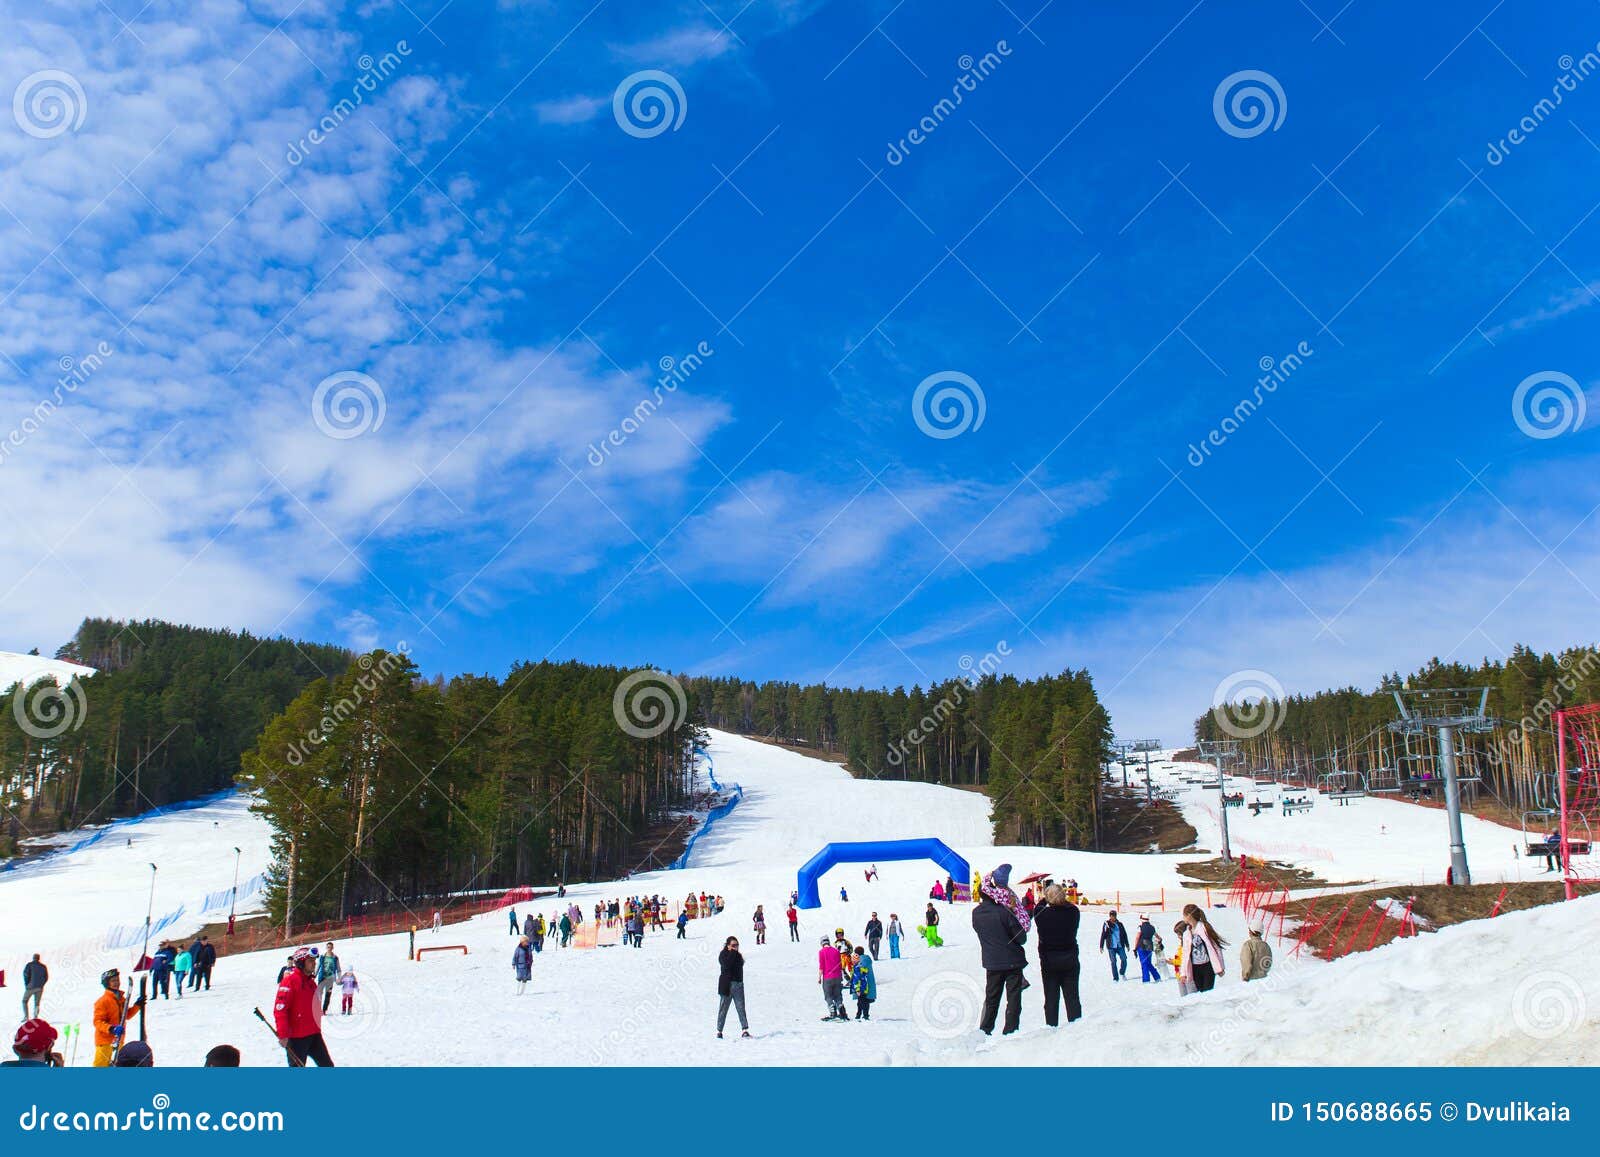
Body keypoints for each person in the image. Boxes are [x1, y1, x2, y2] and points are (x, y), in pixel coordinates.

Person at [972, 866, 1028, 1035]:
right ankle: (1010, 1030)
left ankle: (985, 1029)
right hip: (1013, 961)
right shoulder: (1004, 912)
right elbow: (1021, 938)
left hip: (992, 962)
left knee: (992, 997)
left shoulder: (976, 914)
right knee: (1013, 998)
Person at [273, 946, 334, 1066]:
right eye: (310, 961)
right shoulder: (289, 981)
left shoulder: (311, 983)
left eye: (314, 961)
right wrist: (283, 1034)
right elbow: (280, 1010)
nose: (314, 964)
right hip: (296, 1038)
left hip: (314, 1034)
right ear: (301, 963)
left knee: (327, 1066)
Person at [1032, 885, 1082, 1026]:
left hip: (1049, 961)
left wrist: (1044, 899)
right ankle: (1076, 1025)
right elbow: (1069, 906)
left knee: (1051, 999)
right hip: (1070, 959)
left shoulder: (1042, 914)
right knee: (1072, 998)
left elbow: (1038, 907)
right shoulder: (1073, 912)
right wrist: (1060, 898)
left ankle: (1051, 1027)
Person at [91, 968, 145, 1068]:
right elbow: (97, 1022)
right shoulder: (103, 1001)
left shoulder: (121, 999)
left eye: (117, 980)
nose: (117, 983)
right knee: (101, 1066)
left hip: (119, 1040)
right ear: (107, 983)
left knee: (117, 1064)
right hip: (105, 1042)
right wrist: (111, 1028)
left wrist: (137, 1005)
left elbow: (126, 1015)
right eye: (113, 981)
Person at [1180, 903, 1227, 993]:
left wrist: (1220, 967)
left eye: (1184, 915)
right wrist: (1183, 973)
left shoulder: (1204, 928)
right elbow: (1185, 955)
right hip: (1195, 968)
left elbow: (1216, 947)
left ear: (1189, 915)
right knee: (1200, 993)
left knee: (1208, 993)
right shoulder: (1186, 934)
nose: (1183, 918)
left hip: (1207, 966)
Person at [716, 935, 751, 1038]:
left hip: (738, 985)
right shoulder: (723, 955)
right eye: (733, 945)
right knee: (723, 1009)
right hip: (726, 985)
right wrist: (732, 953)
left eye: (737, 945)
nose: (736, 947)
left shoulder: (738, 956)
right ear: (728, 946)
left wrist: (736, 954)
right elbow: (727, 965)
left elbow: (739, 966)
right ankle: (719, 1031)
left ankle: (744, 1029)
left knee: (741, 1008)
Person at [817, 935, 847, 1021]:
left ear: (822, 943)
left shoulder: (821, 952)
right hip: (838, 977)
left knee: (828, 995)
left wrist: (819, 977)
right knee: (837, 995)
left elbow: (821, 966)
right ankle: (841, 1008)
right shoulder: (836, 951)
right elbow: (840, 965)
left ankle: (833, 1012)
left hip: (828, 977)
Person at [1099, 909, 1130, 981]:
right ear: (1109, 916)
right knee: (1113, 962)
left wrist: (1127, 944)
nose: (1113, 917)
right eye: (1111, 916)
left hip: (1120, 945)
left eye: (1114, 916)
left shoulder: (1120, 924)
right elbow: (1103, 935)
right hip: (1111, 946)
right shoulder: (1106, 924)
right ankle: (1115, 978)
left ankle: (1122, 972)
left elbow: (1124, 934)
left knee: (1124, 959)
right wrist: (1101, 946)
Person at [1134, 914, 1161, 983]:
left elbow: (1137, 938)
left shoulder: (1140, 927)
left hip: (1141, 946)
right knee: (1148, 963)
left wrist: (1135, 948)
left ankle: (1146, 980)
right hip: (1150, 947)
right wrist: (1159, 941)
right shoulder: (1152, 927)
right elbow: (1158, 937)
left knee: (1144, 963)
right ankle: (1157, 977)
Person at [316, 941, 341, 1013]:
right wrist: (315, 974)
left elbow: (338, 968)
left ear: (332, 948)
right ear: (326, 948)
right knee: (319, 994)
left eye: (330, 947)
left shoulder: (335, 958)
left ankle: (324, 1010)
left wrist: (339, 978)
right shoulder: (322, 957)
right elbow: (318, 966)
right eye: (328, 947)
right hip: (322, 977)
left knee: (328, 995)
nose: (329, 948)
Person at [21, 953, 46, 1019]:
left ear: (33, 958)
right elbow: (46, 977)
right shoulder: (43, 966)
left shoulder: (29, 965)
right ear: (39, 958)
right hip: (40, 988)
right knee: (37, 1003)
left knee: (24, 1001)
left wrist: (27, 984)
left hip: (30, 987)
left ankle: (26, 1017)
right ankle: (35, 1017)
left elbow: (25, 974)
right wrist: (41, 984)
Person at [852, 949, 876, 1020]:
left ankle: (861, 1015)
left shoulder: (859, 963)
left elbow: (858, 977)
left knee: (861, 1001)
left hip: (862, 985)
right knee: (864, 1000)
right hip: (867, 984)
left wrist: (857, 988)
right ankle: (863, 1015)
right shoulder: (866, 960)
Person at [1171, 920, 1191, 996]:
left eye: (1179, 934)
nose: (1178, 937)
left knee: (1186, 996)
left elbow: (1184, 960)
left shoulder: (1185, 945)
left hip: (1185, 975)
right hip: (1179, 975)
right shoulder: (1181, 945)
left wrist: (1173, 962)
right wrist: (1172, 961)